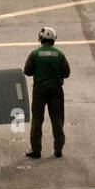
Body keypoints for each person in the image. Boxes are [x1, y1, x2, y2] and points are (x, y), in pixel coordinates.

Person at [23, 26, 70, 159]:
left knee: (37, 120)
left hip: (39, 90)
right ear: (53, 40)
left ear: (41, 39)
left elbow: (27, 71)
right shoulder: (59, 54)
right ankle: (58, 148)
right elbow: (66, 73)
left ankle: (36, 150)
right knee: (57, 119)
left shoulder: (35, 53)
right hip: (56, 89)